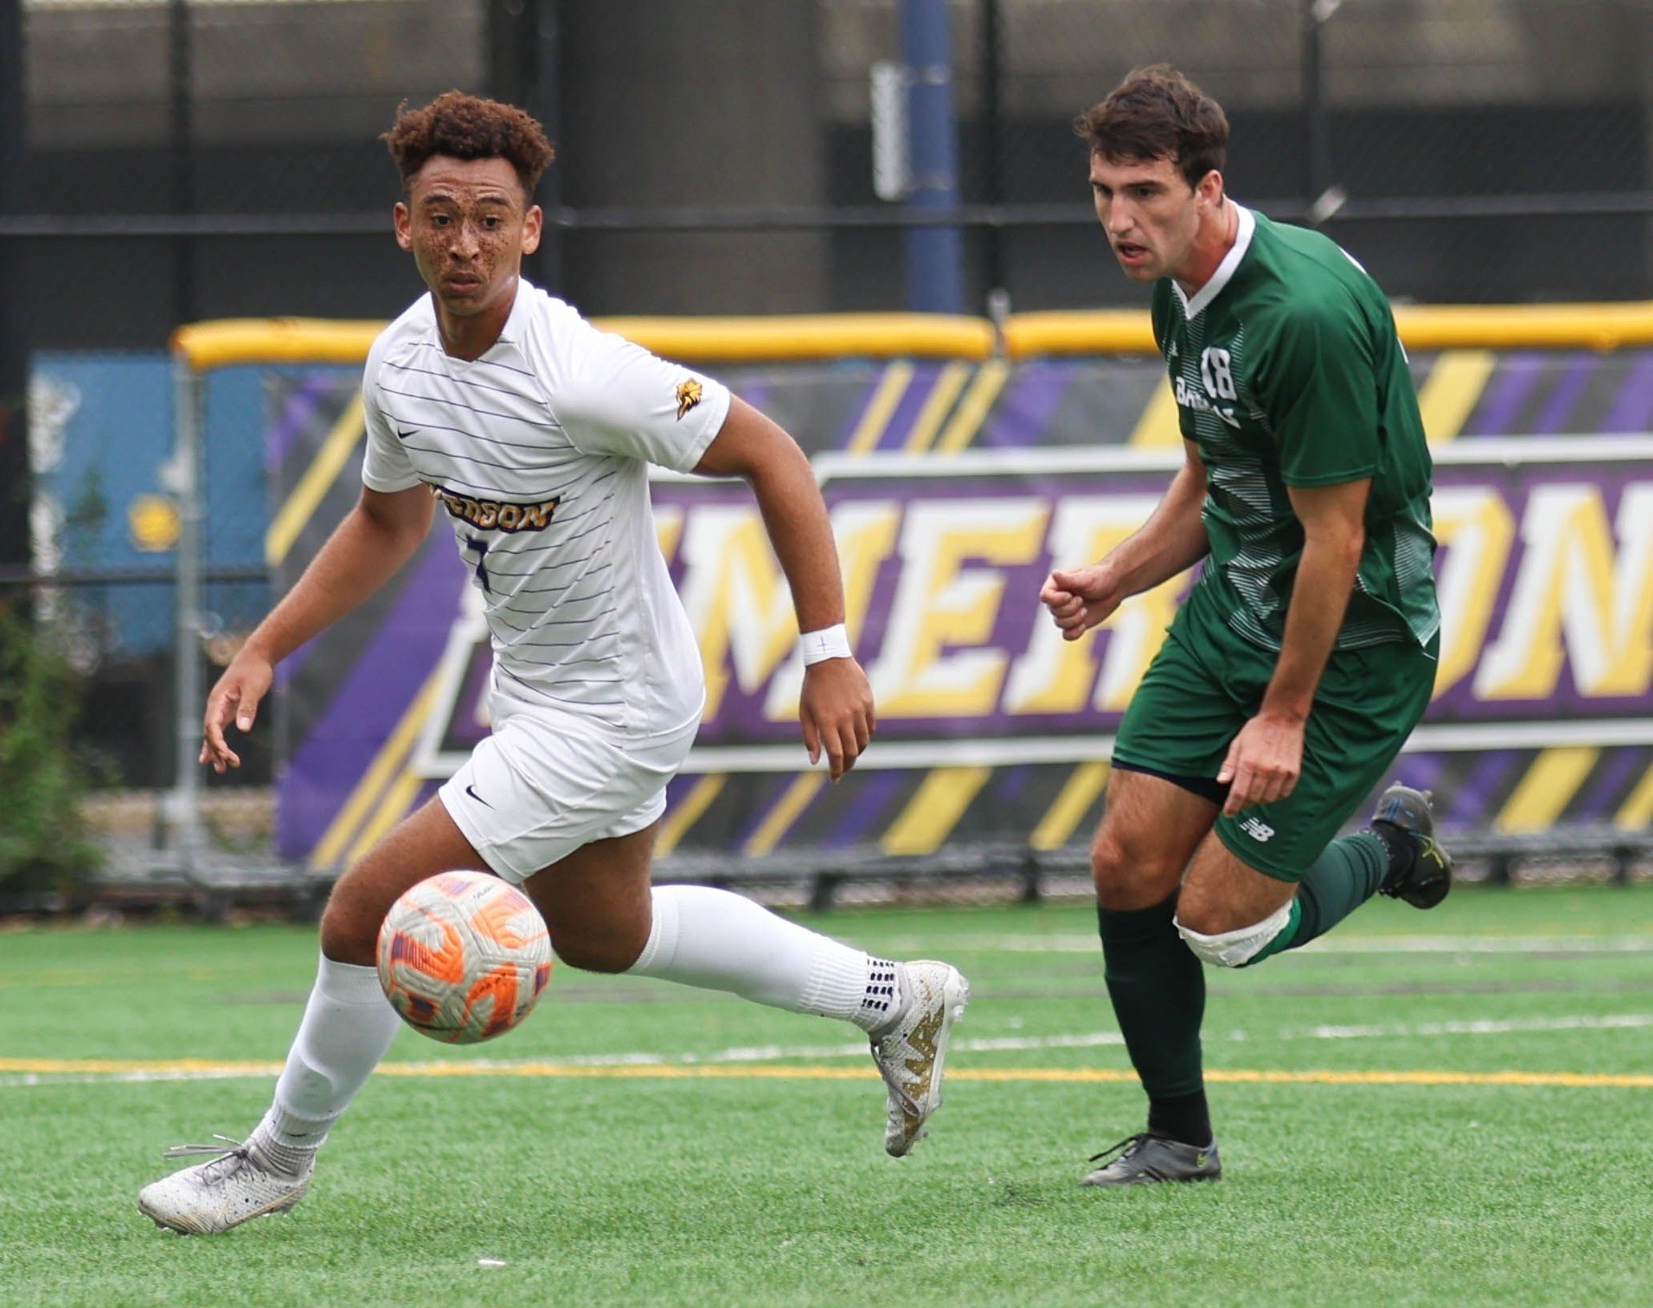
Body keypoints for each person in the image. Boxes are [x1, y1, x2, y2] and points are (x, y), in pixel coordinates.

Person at [137, 92, 970, 1235]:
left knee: (363, 910)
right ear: (403, 226)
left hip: (615, 707)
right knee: (604, 935)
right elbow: (387, 522)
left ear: (530, 230)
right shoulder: (401, 365)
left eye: (491, 217)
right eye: (441, 217)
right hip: (539, 697)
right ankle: (896, 997)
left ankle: (273, 1159)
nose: (465, 241)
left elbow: (772, 455)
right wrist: (268, 646)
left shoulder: (580, 371)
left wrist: (826, 653)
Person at [1041, 66, 1451, 1186]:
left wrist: (1282, 715)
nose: (1118, 219)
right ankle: (1178, 1137)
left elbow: (1335, 536)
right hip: (1231, 612)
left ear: (1205, 188)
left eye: (1143, 193)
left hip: (1352, 646)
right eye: (1100, 192)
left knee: (1217, 922)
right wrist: (1121, 576)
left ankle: (1391, 848)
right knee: (1124, 861)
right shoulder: (1173, 280)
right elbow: (1210, 469)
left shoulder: (1302, 314)